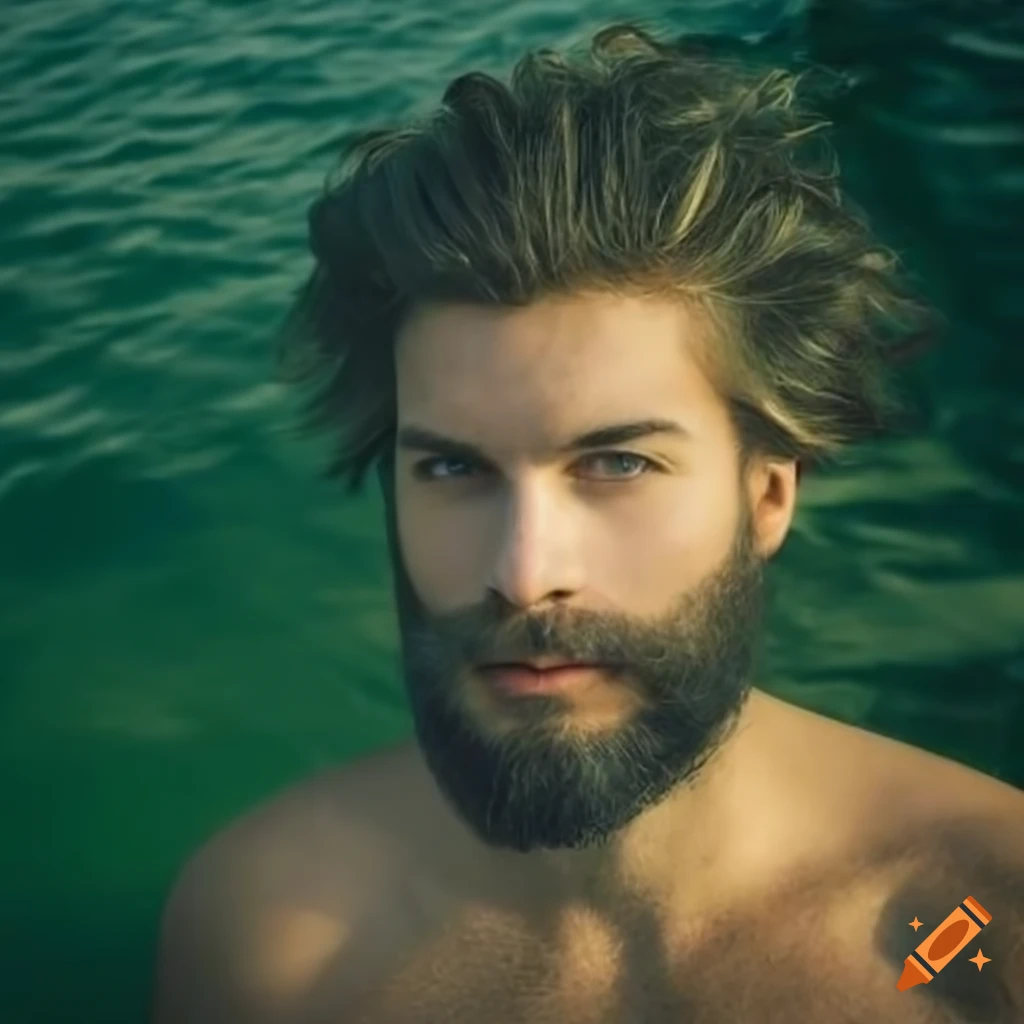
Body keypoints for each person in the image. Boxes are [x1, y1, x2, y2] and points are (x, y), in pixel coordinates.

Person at [151, 21, 1024, 1024]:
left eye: (616, 463)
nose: (525, 574)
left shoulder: (971, 919)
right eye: (451, 465)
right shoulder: (269, 936)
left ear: (768, 492)